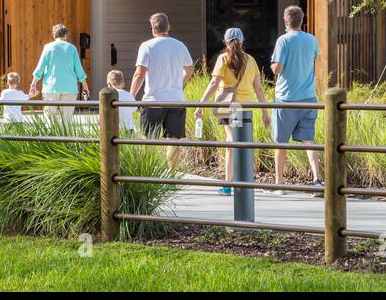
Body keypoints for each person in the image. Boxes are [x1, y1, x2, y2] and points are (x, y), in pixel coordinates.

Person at [195, 27, 269, 195]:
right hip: (245, 106)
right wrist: (265, 112)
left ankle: (229, 184)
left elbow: (214, 84)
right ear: (242, 41)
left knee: (231, 142)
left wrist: (201, 104)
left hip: (229, 105)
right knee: (239, 142)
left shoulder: (223, 59)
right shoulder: (251, 60)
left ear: (225, 42)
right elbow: (258, 88)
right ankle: (243, 181)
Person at [130, 12, 194, 168]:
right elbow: (190, 69)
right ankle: (170, 176)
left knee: (147, 138)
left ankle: (146, 172)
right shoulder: (180, 45)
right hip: (176, 100)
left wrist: (130, 96)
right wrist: (179, 83)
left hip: (153, 100)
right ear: (169, 27)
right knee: (173, 140)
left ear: (152, 29)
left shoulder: (147, 46)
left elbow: (140, 74)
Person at [270, 5, 322, 190]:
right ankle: (316, 179)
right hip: (308, 97)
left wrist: (273, 65)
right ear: (302, 20)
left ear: (286, 21)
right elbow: (316, 60)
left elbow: (277, 69)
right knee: (309, 139)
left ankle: (280, 183)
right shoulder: (312, 40)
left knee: (281, 142)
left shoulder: (283, 41)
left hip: (286, 98)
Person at [28, 24, 90, 104]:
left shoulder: (48, 47)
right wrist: (85, 87)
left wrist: (33, 85)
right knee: (66, 117)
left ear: (54, 35)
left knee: (50, 116)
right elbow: (79, 71)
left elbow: (40, 68)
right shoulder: (72, 48)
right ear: (65, 35)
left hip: (51, 88)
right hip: (70, 88)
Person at [107, 69, 136, 133]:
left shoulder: (109, 96)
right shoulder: (129, 95)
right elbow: (134, 108)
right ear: (123, 83)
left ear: (109, 84)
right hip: (129, 127)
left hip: (115, 128)